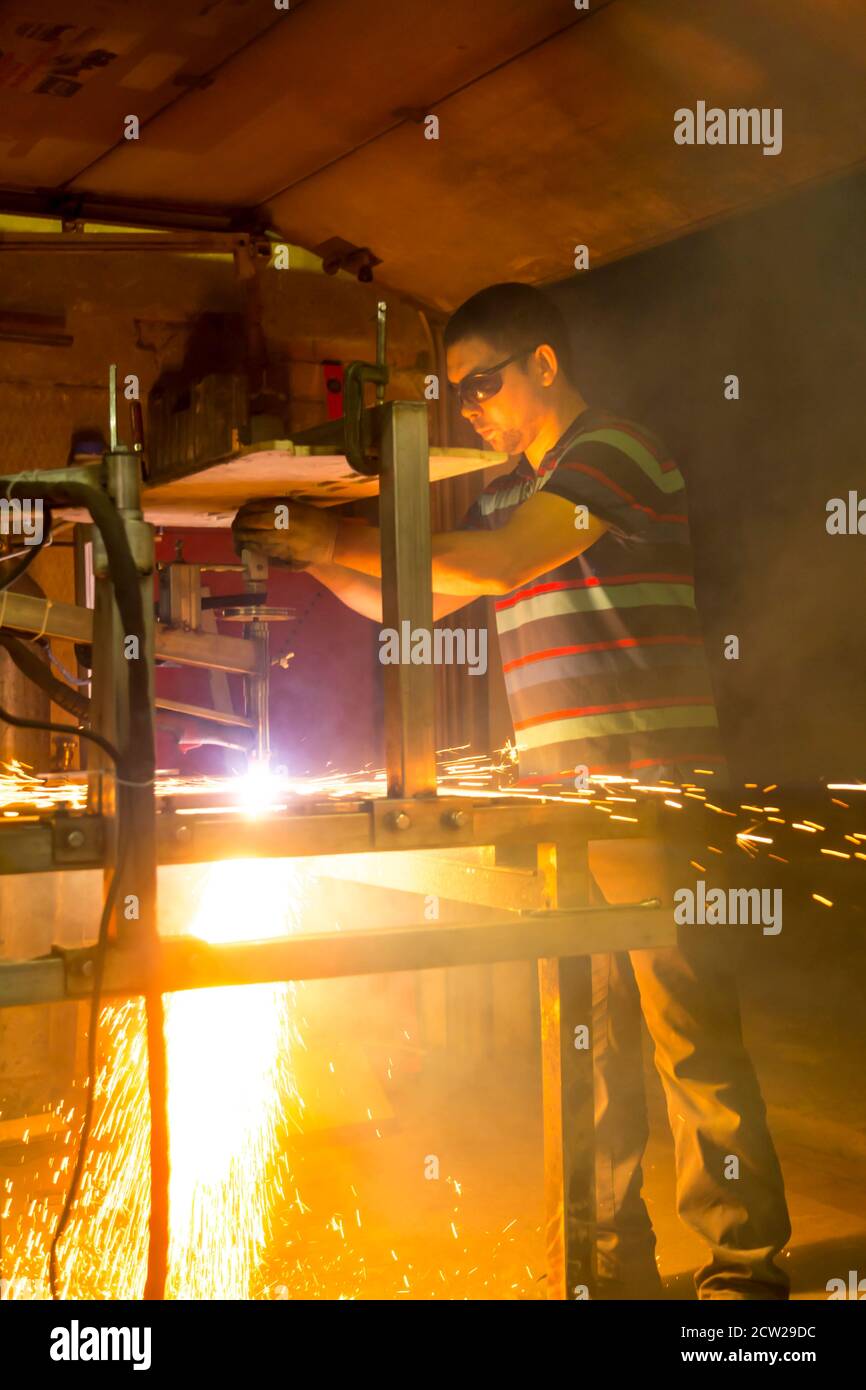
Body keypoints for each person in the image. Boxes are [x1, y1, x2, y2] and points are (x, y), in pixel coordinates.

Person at [233, 281, 791, 1301]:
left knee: (689, 1042)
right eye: (456, 398)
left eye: (479, 385)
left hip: (652, 796)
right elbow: (417, 587)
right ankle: (608, 1261)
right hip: (560, 806)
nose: (469, 410)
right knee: (585, 1047)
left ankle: (745, 1269)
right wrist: (306, 556)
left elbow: (499, 562)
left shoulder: (612, 457)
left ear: (543, 363)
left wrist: (328, 539)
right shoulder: (503, 493)